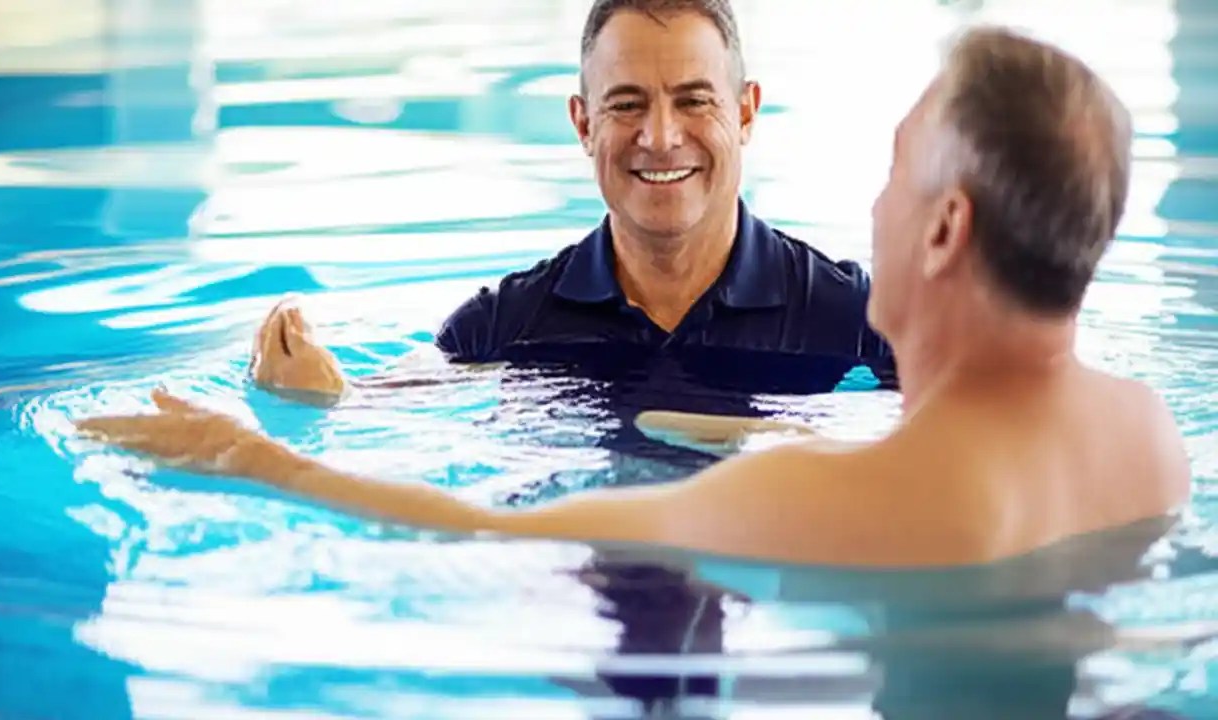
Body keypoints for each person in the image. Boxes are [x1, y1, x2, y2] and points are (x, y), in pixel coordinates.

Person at [75, 26, 1192, 568]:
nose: (874, 205)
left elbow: (476, 526)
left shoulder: (839, 491)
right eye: (625, 106)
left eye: (895, 176)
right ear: (583, 121)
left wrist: (253, 456)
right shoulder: (1147, 435)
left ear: (945, 228)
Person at [249, 0, 896, 405]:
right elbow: (383, 406)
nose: (661, 137)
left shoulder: (855, 318)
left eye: (695, 100)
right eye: (626, 104)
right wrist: (315, 396)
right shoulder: (503, 325)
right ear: (583, 125)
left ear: (746, 112)